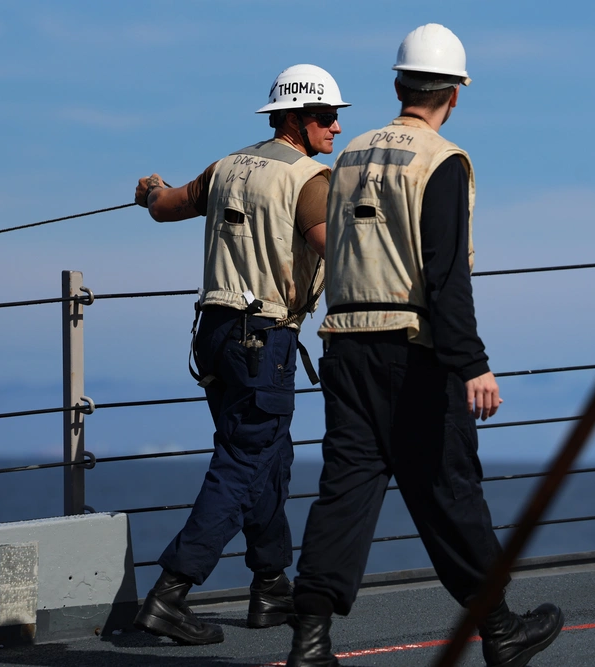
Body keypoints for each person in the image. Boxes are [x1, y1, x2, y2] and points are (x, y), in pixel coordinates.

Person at [285, 25, 563, 667]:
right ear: (456, 94)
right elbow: (444, 274)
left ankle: (310, 637)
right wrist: (472, 363)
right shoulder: (443, 160)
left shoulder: (349, 153)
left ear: (397, 84)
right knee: (451, 486)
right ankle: (497, 628)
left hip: (345, 346)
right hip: (413, 349)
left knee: (346, 489)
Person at [131, 64, 350, 646]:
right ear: (294, 120)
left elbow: (166, 206)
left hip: (215, 333)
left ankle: (272, 583)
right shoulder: (310, 180)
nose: (335, 127)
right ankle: (170, 593)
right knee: (241, 462)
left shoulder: (226, 167)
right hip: (266, 338)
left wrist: (149, 190)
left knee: (267, 457)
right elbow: (338, 252)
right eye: (325, 117)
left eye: (335, 117)